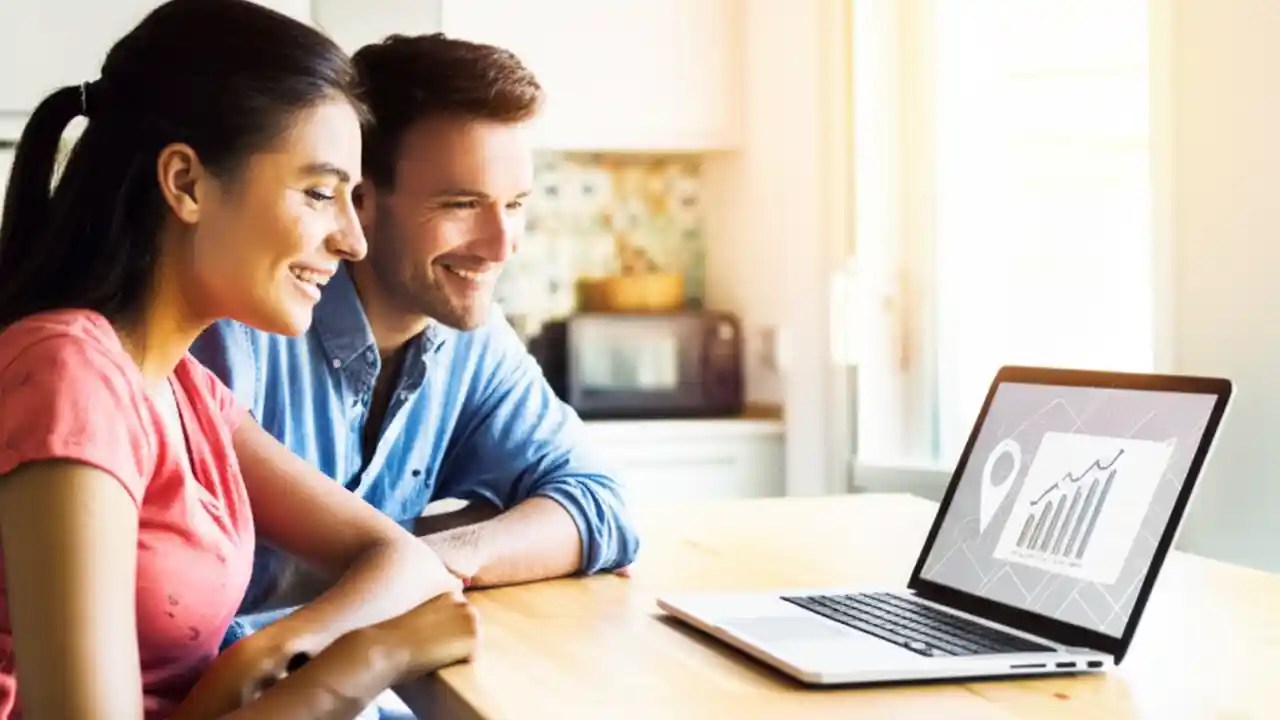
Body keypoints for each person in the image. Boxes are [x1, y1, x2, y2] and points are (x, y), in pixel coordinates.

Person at [0, 2, 477, 718]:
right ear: (187, 184)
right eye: (319, 193)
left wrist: (265, 656)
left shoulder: (187, 391)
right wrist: (364, 662)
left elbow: (404, 561)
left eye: (352, 199)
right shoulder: (72, 375)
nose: (353, 240)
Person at [192, 33, 640, 631]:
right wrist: (409, 561)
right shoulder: (235, 331)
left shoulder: (472, 341)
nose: (502, 246)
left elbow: (600, 506)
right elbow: (182, 610)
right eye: (461, 204)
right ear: (361, 202)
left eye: (515, 205)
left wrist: (439, 556)